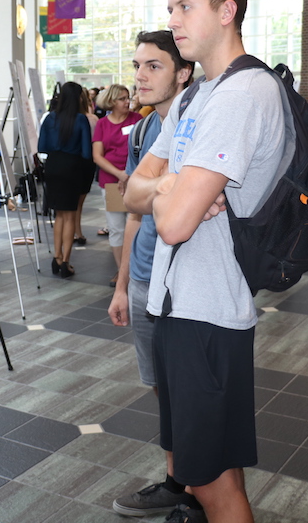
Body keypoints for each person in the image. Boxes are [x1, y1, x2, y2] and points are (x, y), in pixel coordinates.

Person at [126, 0, 287, 523]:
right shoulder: (196, 96)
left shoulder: (243, 94)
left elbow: (172, 226)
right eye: (170, 8)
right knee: (204, 474)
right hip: (178, 306)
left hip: (209, 312)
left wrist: (167, 194)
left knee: (214, 484)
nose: (173, 20)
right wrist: (172, 187)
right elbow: (132, 191)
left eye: (185, 6)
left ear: (226, 12)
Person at [108, 31, 199, 521]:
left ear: (183, 73)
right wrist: (122, 286)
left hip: (184, 285)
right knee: (163, 389)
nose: (140, 76)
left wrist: (155, 189)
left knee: (189, 392)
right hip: (144, 279)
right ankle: (176, 480)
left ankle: (198, 489)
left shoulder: (200, 126)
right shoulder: (144, 130)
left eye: (154, 66)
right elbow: (133, 212)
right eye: (137, 65)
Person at [38, 81, 93, 278]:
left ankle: (57, 257)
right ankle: (66, 263)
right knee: (69, 216)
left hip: (53, 166)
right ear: (78, 98)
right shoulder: (80, 120)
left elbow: (42, 147)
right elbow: (87, 152)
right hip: (73, 167)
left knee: (59, 215)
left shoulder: (49, 118)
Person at [93, 84, 143, 286]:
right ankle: (122, 272)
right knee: (116, 228)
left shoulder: (137, 120)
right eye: (122, 98)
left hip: (136, 180)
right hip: (112, 182)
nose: (127, 102)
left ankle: (135, 271)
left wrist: (130, 175)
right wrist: (120, 174)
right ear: (112, 101)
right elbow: (97, 156)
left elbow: (145, 150)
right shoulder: (102, 124)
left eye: (128, 97)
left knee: (137, 227)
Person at [73, 88, 99, 246]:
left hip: (71, 163)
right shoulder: (92, 119)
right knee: (79, 202)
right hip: (86, 163)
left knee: (71, 203)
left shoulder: (62, 119)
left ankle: (73, 231)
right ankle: (77, 231)